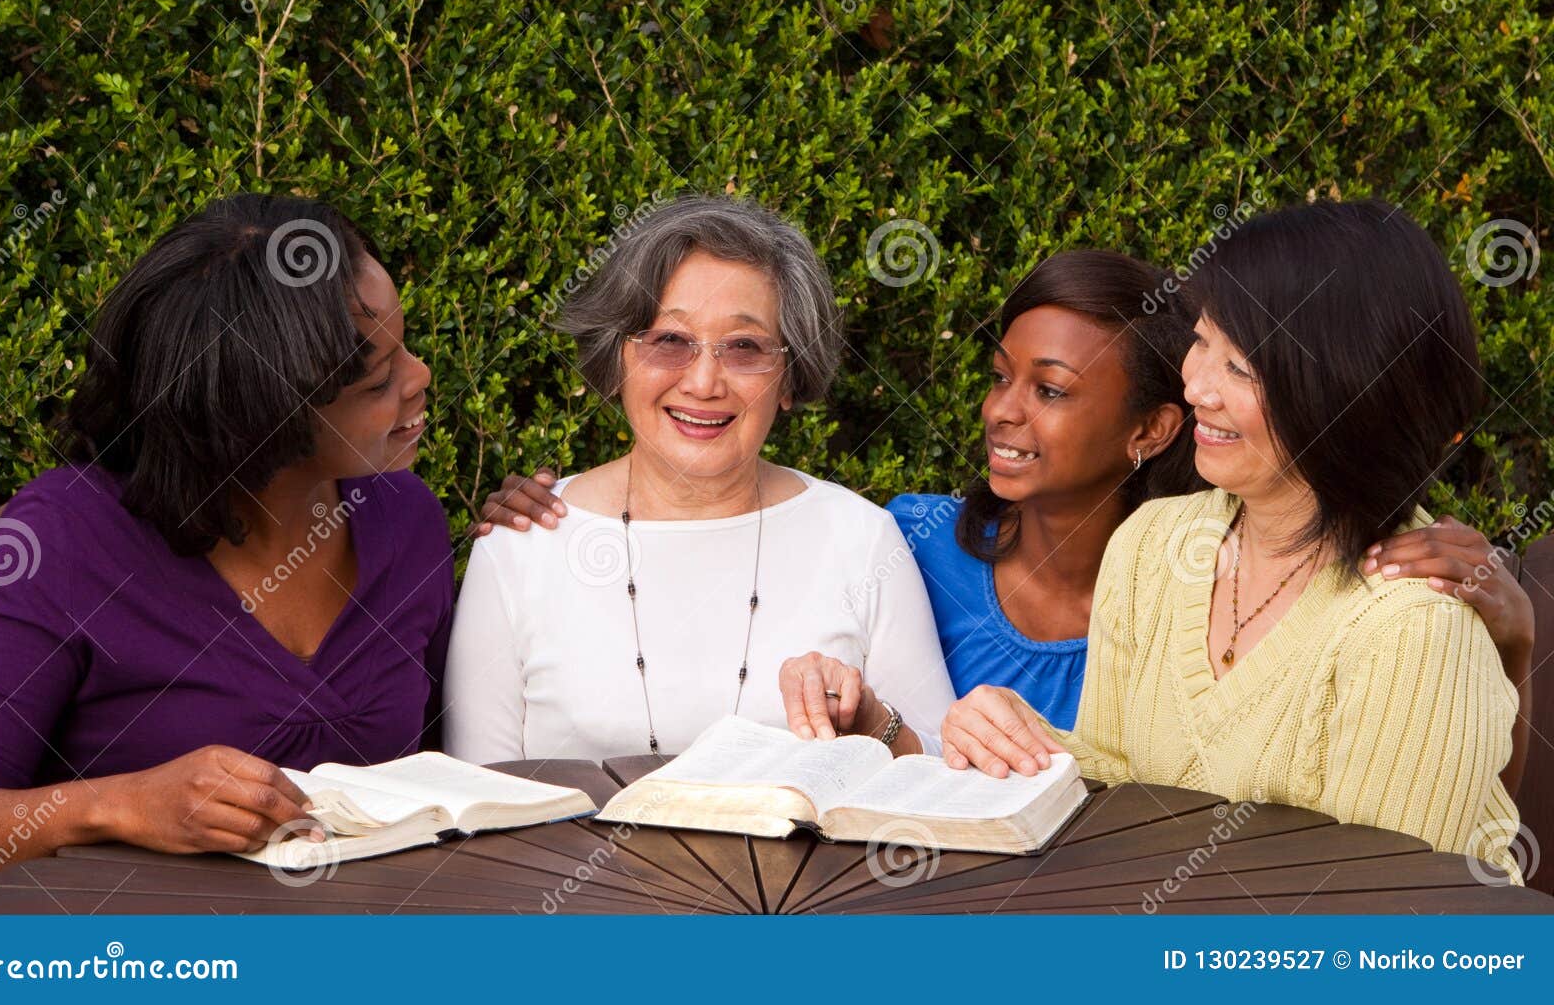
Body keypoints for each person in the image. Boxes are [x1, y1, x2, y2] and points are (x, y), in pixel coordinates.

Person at [476, 251, 1533, 789]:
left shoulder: (1178, 570)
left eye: (1052, 390)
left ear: (1150, 429)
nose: (1001, 411)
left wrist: (1513, 646)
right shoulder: (915, 537)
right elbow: (948, 771)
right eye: (998, 375)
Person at [940, 200, 1525, 879]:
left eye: (1239, 367)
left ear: (1343, 390)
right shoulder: (1151, 544)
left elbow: (1372, 913)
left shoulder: (1413, 627)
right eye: (1200, 343)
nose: (1195, 387)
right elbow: (1118, 790)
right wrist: (1017, 735)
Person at [0, 194, 451, 875]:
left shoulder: (405, 519)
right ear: (265, 418)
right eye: (379, 380)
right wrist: (117, 806)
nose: (421, 377)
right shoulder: (60, 545)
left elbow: (449, 778)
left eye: (406, 346)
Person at [441, 195, 954, 764]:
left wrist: (873, 723)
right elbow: (477, 794)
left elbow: (942, 770)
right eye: (670, 341)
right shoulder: (520, 544)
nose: (704, 382)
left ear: (789, 377)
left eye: (744, 347)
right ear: (617, 358)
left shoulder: (862, 539)